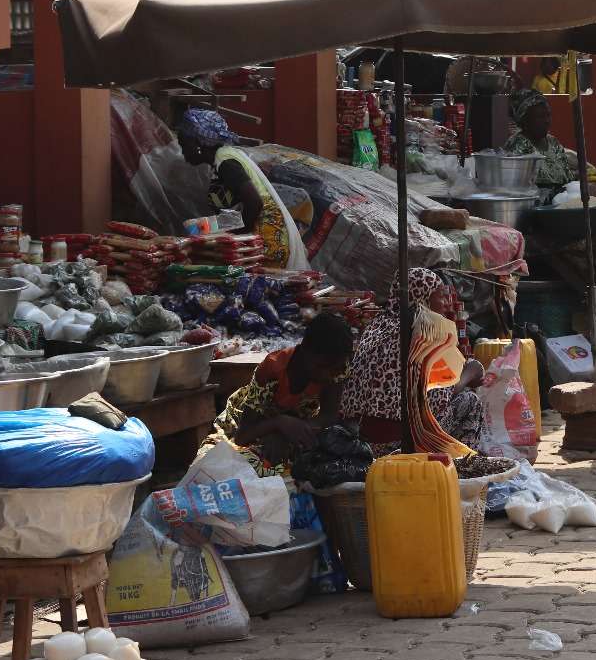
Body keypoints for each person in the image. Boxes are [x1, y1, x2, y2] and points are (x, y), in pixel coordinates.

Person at [340, 268, 486, 450]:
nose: (446, 305)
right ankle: (459, 468)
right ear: (422, 298)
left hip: (365, 441)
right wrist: (470, 372)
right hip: (399, 443)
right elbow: (442, 394)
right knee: (470, 401)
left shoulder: (377, 325)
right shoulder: (423, 332)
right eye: (440, 297)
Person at [210, 312, 355, 476]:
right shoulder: (271, 371)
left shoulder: (336, 368)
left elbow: (329, 414)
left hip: (297, 422)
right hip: (252, 421)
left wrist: (291, 432)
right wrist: (279, 423)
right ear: (305, 351)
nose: (330, 376)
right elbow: (243, 436)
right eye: (324, 366)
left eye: (335, 369)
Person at [177, 108, 309, 269]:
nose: (182, 151)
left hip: (266, 241)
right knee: (194, 229)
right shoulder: (224, 157)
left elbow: (254, 202)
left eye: (183, 144)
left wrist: (237, 238)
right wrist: (204, 228)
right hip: (263, 238)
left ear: (198, 143)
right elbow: (237, 210)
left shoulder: (226, 162)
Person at [503, 88, 578, 191]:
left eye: (548, 115)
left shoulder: (553, 142)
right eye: (540, 116)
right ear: (524, 120)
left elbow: (567, 178)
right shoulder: (517, 145)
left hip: (562, 202)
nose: (547, 121)